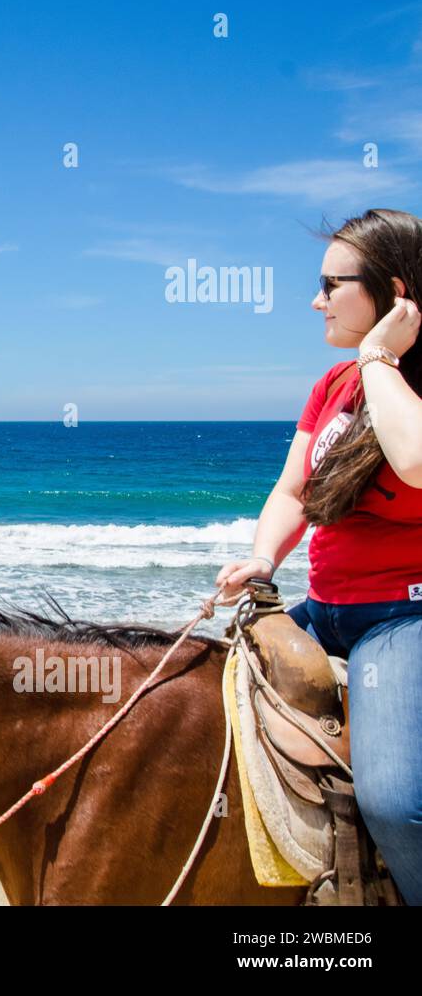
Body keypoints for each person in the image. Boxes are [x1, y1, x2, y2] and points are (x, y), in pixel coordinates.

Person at [215, 208, 422, 904]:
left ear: (391, 291)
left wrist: (376, 360)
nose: (316, 299)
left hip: (402, 621)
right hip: (322, 609)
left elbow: (415, 459)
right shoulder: (329, 387)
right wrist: (263, 559)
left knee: (396, 804)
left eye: (333, 284)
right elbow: (293, 490)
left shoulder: (387, 378)